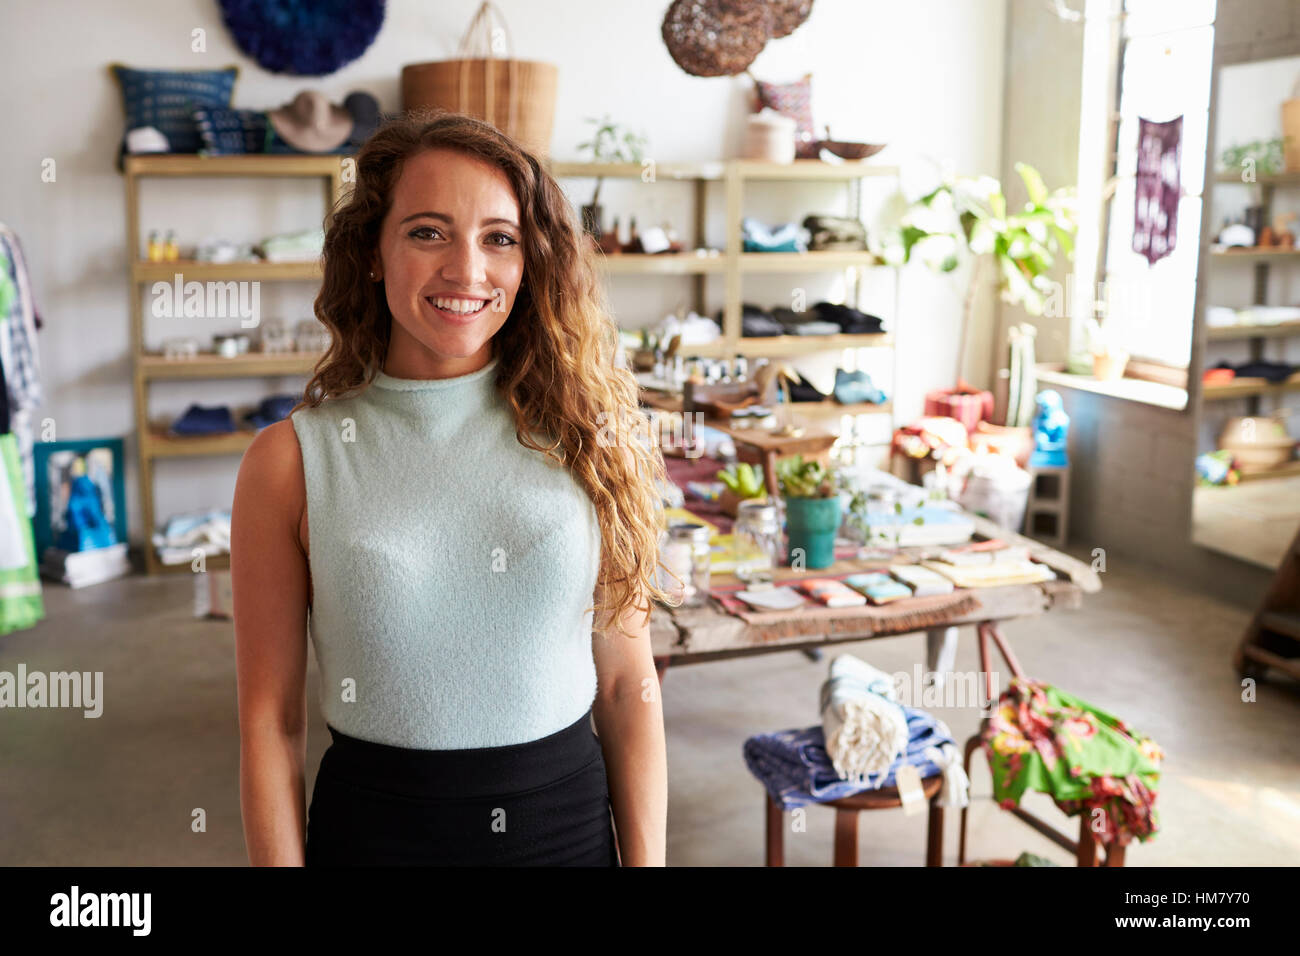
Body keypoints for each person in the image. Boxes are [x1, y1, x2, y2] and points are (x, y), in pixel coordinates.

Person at [232, 111, 671, 866]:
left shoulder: (590, 440)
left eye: (499, 238)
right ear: (373, 251)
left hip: (563, 836)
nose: (467, 270)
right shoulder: (291, 462)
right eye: (428, 232)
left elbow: (629, 688)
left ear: (529, 261)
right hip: (374, 839)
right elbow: (270, 722)